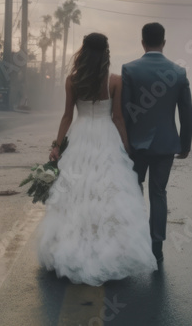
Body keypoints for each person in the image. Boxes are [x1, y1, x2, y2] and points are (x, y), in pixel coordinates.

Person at [38, 33, 158, 286]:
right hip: (105, 136)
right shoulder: (114, 81)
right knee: (106, 192)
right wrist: (125, 146)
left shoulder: (73, 80)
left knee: (77, 191)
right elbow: (118, 118)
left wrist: (57, 146)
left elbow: (67, 116)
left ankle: (73, 244)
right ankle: (106, 249)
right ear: (106, 52)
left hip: (81, 134)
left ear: (83, 51)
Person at [121, 22, 192, 263]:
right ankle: (157, 247)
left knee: (134, 190)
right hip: (165, 145)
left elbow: (124, 111)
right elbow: (186, 113)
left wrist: (124, 142)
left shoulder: (129, 70)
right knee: (159, 193)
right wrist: (185, 144)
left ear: (142, 43)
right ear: (164, 42)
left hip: (135, 146)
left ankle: (133, 240)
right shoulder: (178, 72)